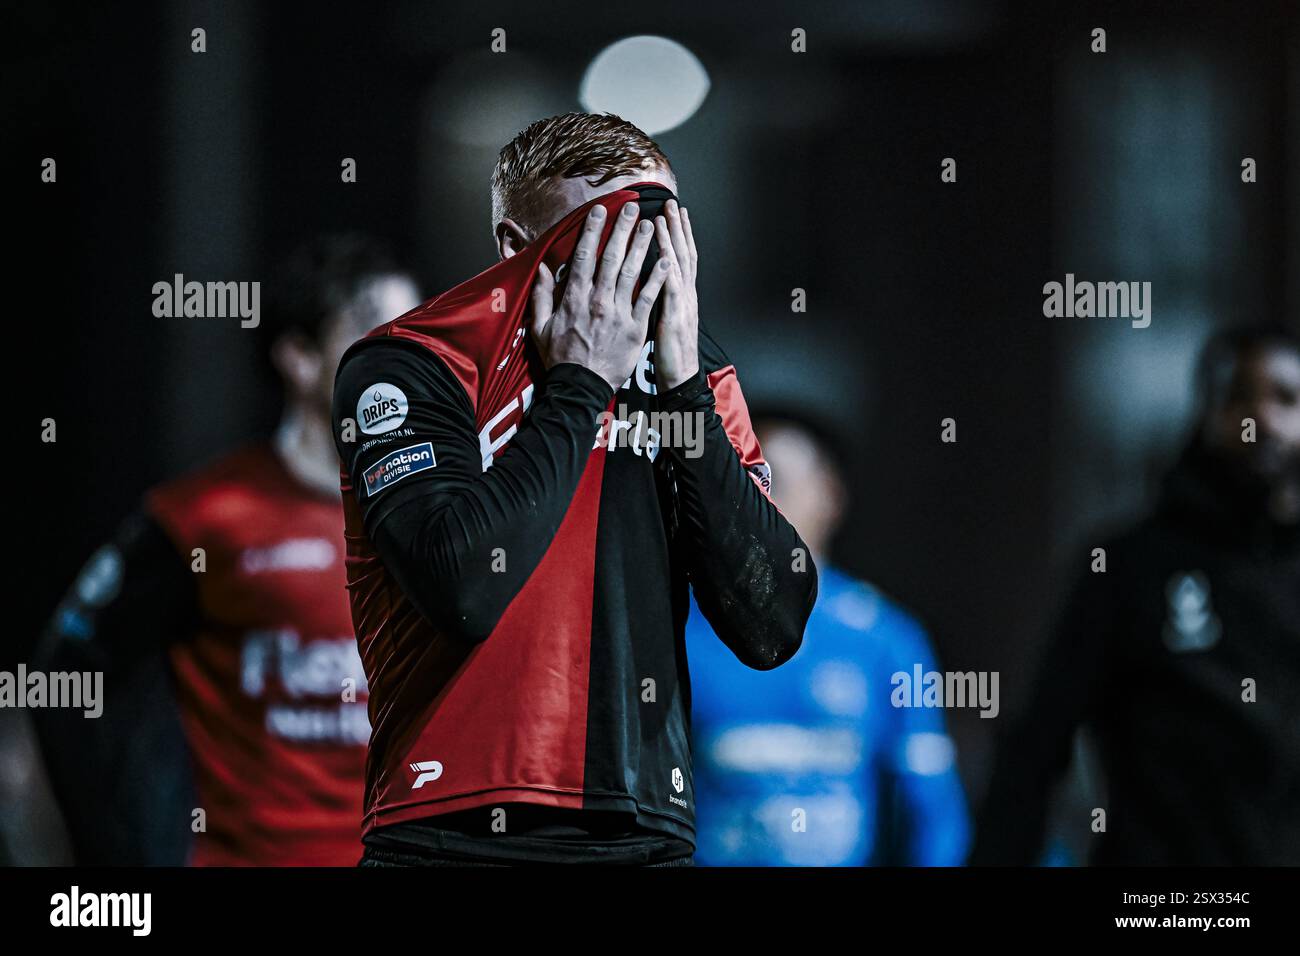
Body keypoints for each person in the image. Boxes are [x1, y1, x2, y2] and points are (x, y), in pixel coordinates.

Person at [332, 112, 818, 866]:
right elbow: (463, 585)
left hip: (645, 831)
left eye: (657, 241)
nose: (635, 269)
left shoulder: (699, 377)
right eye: (603, 240)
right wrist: (581, 383)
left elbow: (773, 623)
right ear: (514, 248)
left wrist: (685, 390)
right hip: (450, 829)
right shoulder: (413, 362)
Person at [29, 235, 421, 865]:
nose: (411, 359)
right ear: (299, 356)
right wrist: (114, 850)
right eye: (380, 335)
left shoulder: (439, 516)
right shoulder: (204, 520)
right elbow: (66, 673)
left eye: (419, 333)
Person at [973, 323, 1300, 865]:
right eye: (1239, 396)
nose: (1261, 419)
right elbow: (1035, 752)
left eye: (1286, 398)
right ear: (1206, 414)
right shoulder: (1130, 567)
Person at [686, 410, 971, 866]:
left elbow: (934, 815)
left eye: (773, 480)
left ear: (830, 496)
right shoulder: (682, 630)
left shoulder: (886, 640)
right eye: (741, 481)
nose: (756, 500)